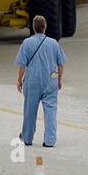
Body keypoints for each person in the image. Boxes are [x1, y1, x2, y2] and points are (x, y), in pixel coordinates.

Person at [14, 15, 65, 148]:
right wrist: (59, 79)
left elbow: (22, 65)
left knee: (30, 110)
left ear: (33, 27)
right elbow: (60, 63)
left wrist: (19, 80)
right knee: (50, 111)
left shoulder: (27, 43)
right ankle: (50, 140)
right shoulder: (54, 43)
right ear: (45, 27)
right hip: (50, 80)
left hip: (32, 81)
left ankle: (28, 138)